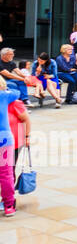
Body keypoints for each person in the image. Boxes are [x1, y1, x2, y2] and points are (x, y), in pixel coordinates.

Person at [0, 84, 19, 216]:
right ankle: (8, 206)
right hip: (4, 139)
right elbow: (16, 92)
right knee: (6, 174)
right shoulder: (3, 96)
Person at [6, 90, 27, 199]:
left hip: (13, 142)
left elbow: (26, 119)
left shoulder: (15, 103)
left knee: (8, 170)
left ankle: (8, 197)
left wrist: (27, 136)